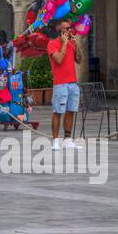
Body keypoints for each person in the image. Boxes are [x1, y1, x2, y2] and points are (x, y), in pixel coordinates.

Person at [47, 18, 85, 152]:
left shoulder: (71, 43)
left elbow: (79, 60)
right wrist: (64, 44)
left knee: (71, 111)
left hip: (73, 83)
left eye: (70, 28)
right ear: (60, 30)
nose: (70, 30)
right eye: (67, 28)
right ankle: (55, 141)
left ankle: (68, 140)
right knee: (58, 112)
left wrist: (76, 44)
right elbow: (58, 59)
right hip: (60, 84)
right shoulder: (52, 43)